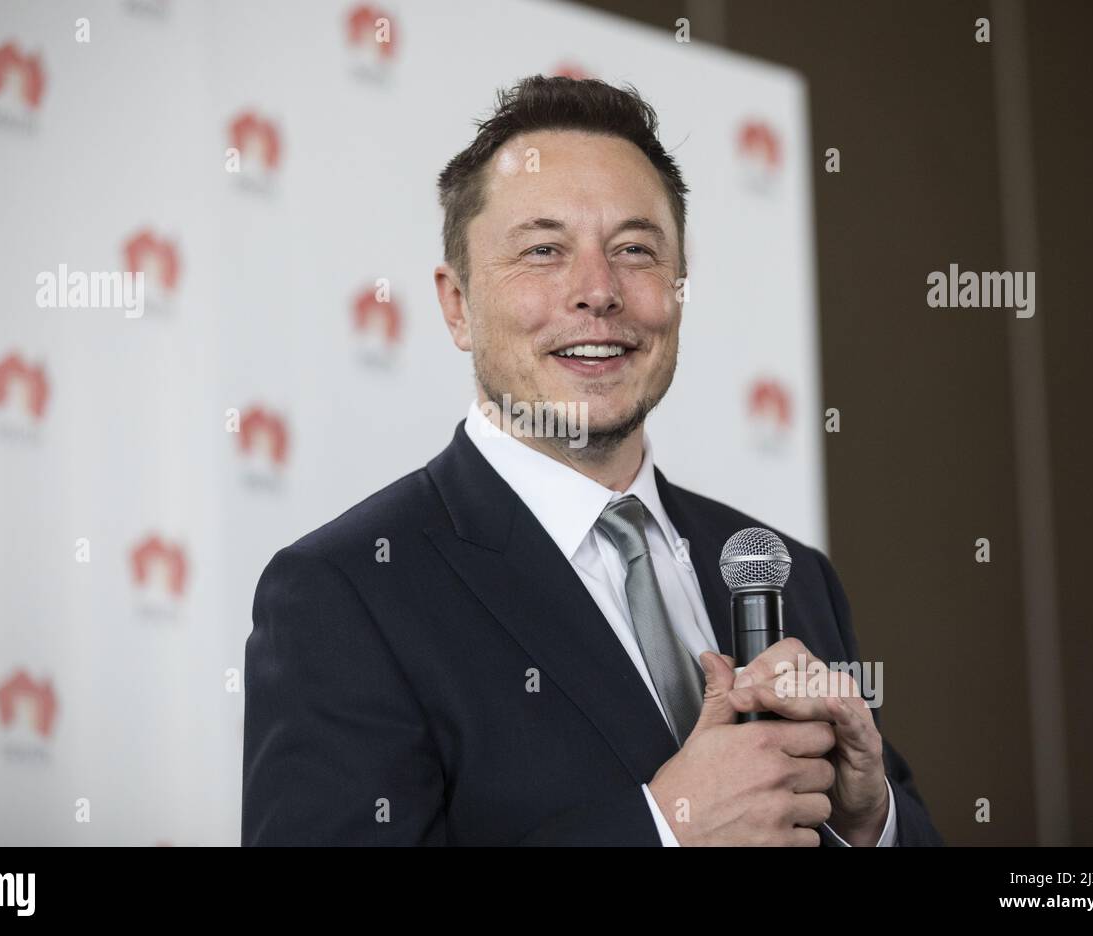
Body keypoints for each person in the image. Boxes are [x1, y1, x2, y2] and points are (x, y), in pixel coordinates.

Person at [242, 75, 941, 846]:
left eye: (634, 250)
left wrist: (870, 819)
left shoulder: (787, 572)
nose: (599, 291)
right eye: (543, 250)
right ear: (456, 305)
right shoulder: (346, 593)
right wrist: (664, 830)